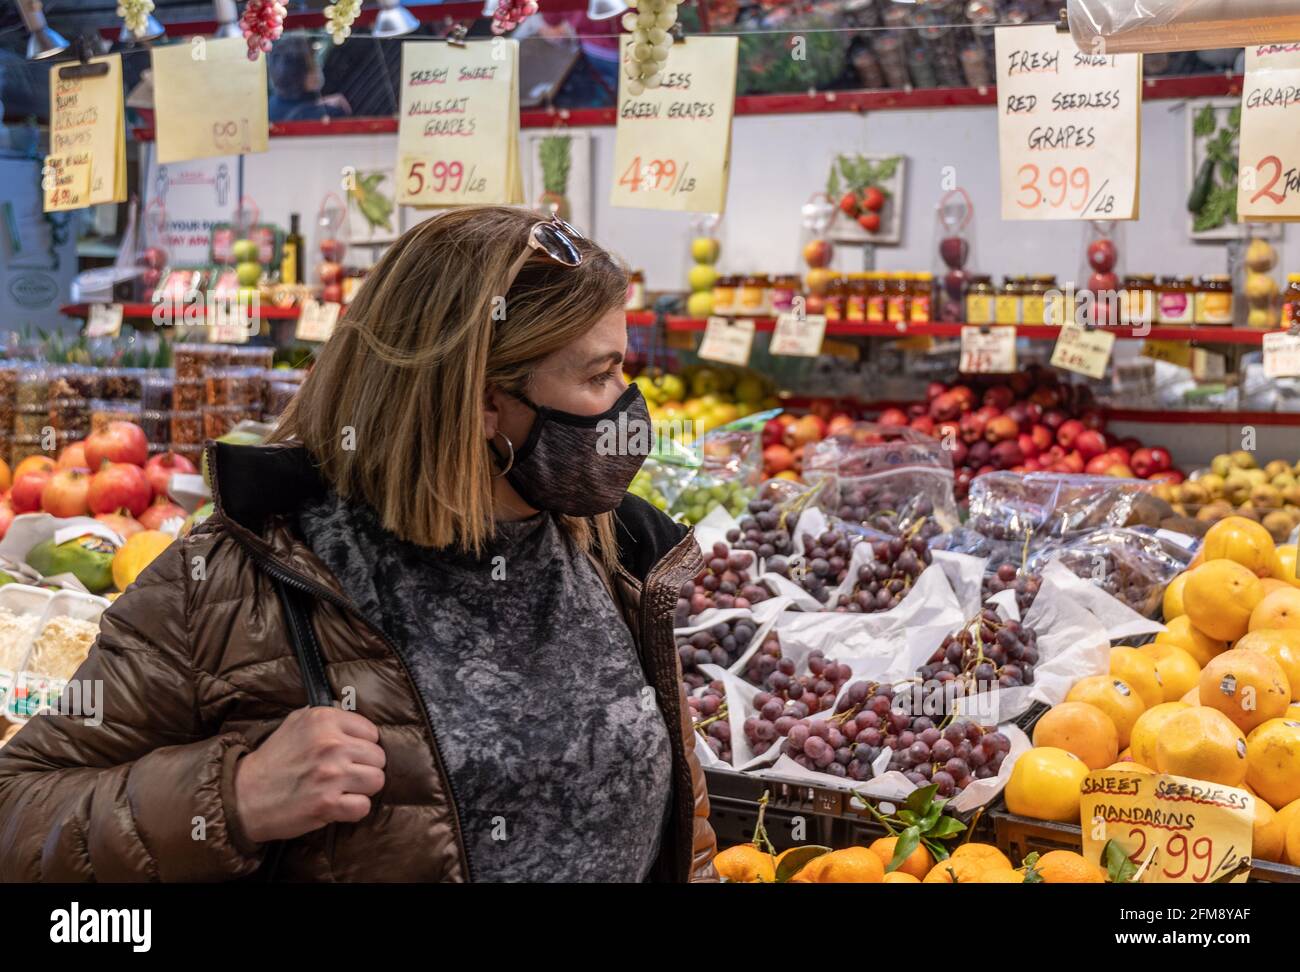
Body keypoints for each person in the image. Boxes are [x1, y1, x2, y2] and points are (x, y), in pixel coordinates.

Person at [0, 206, 718, 883]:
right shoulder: (230, 586)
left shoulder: (618, 553)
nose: (630, 406)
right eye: (600, 376)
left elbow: (684, 831)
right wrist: (234, 795)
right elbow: (18, 810)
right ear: (479, 400)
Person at [268, 33, 352, 122]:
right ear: (304, 76)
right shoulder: (331, 115)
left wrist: (316, 104)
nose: (318, 66)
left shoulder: (269, 107)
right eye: (314, 61)